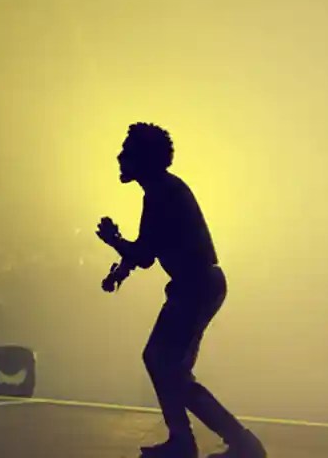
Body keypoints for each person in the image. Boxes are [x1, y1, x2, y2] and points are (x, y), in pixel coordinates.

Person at [96, 122, 266, 458]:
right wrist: (120, 270)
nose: (119, 157)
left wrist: (113, 241)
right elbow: (150, 248)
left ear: (142, 159)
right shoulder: (162, 190)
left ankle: (218, 441)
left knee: (164, 362)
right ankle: (204, 440)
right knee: (168, 365)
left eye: (127, 152)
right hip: (197, 285)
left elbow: (145, 254)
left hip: (195, 286)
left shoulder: (162, 193)